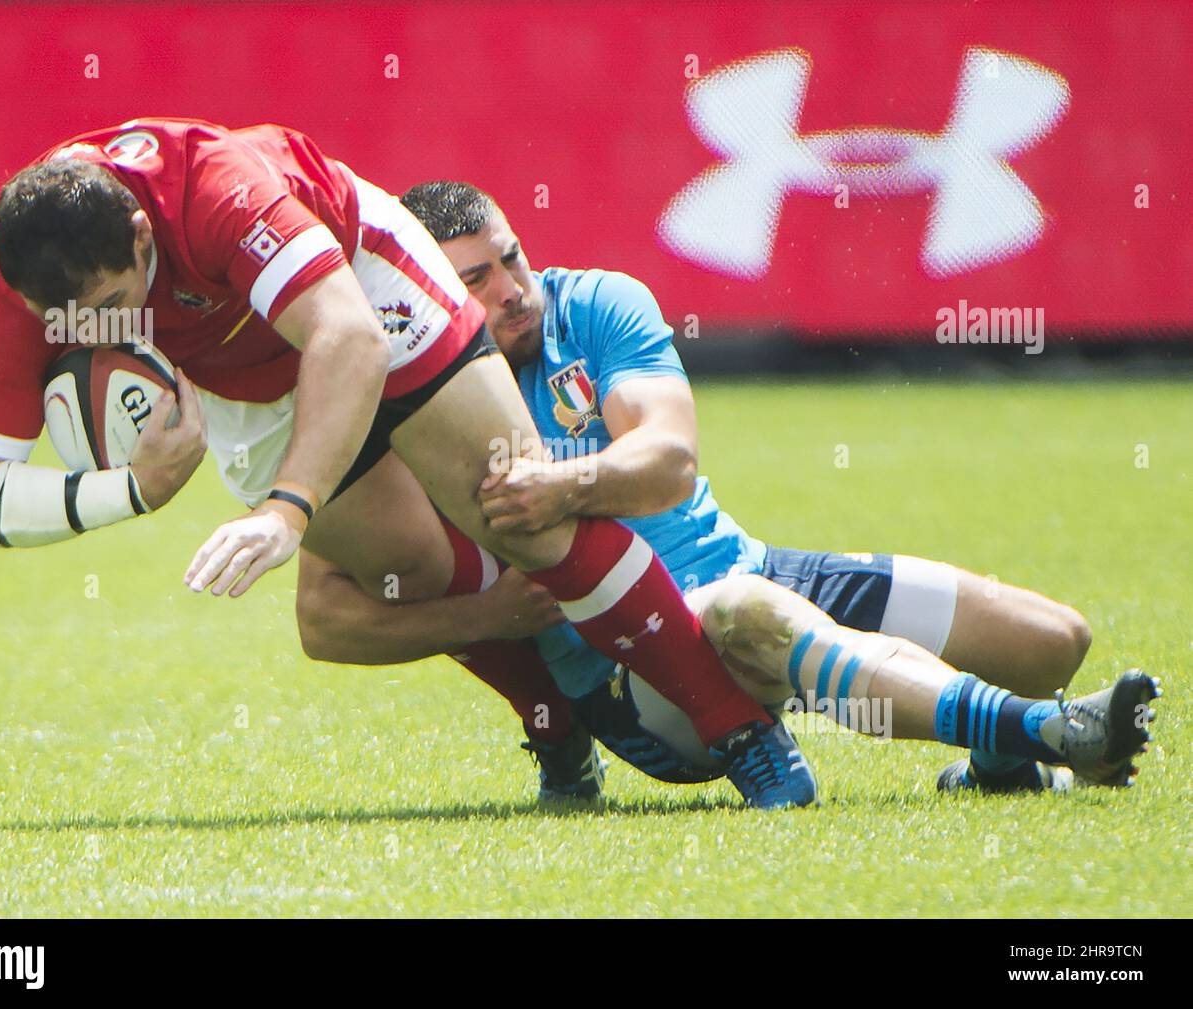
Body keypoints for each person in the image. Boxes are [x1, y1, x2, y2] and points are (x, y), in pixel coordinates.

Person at [0, 117, 801, 810]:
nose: (105, 332)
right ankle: (555, 715)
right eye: (78, 325)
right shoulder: (12, 277)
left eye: (118, 305)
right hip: (243, 380)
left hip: (360, 282)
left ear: (136, 229)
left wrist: (287, 508)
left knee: (518, 505)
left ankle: (742, 730)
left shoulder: (216, 188)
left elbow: (346, 339)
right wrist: (131, 487)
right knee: (412, 571)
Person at [292, 181, 1160, 800]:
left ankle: (997, 763)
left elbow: (668, 459)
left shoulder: (594, 304)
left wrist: (561, 487)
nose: (514, 291)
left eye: (513, 258)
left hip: (746, 563)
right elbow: (323, 619)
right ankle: (1046, 732)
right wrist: (492, 618)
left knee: (1050, 639)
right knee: (749, 611)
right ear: (433, 294)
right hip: (636, 679)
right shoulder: (404, 393)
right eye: (475, 280)